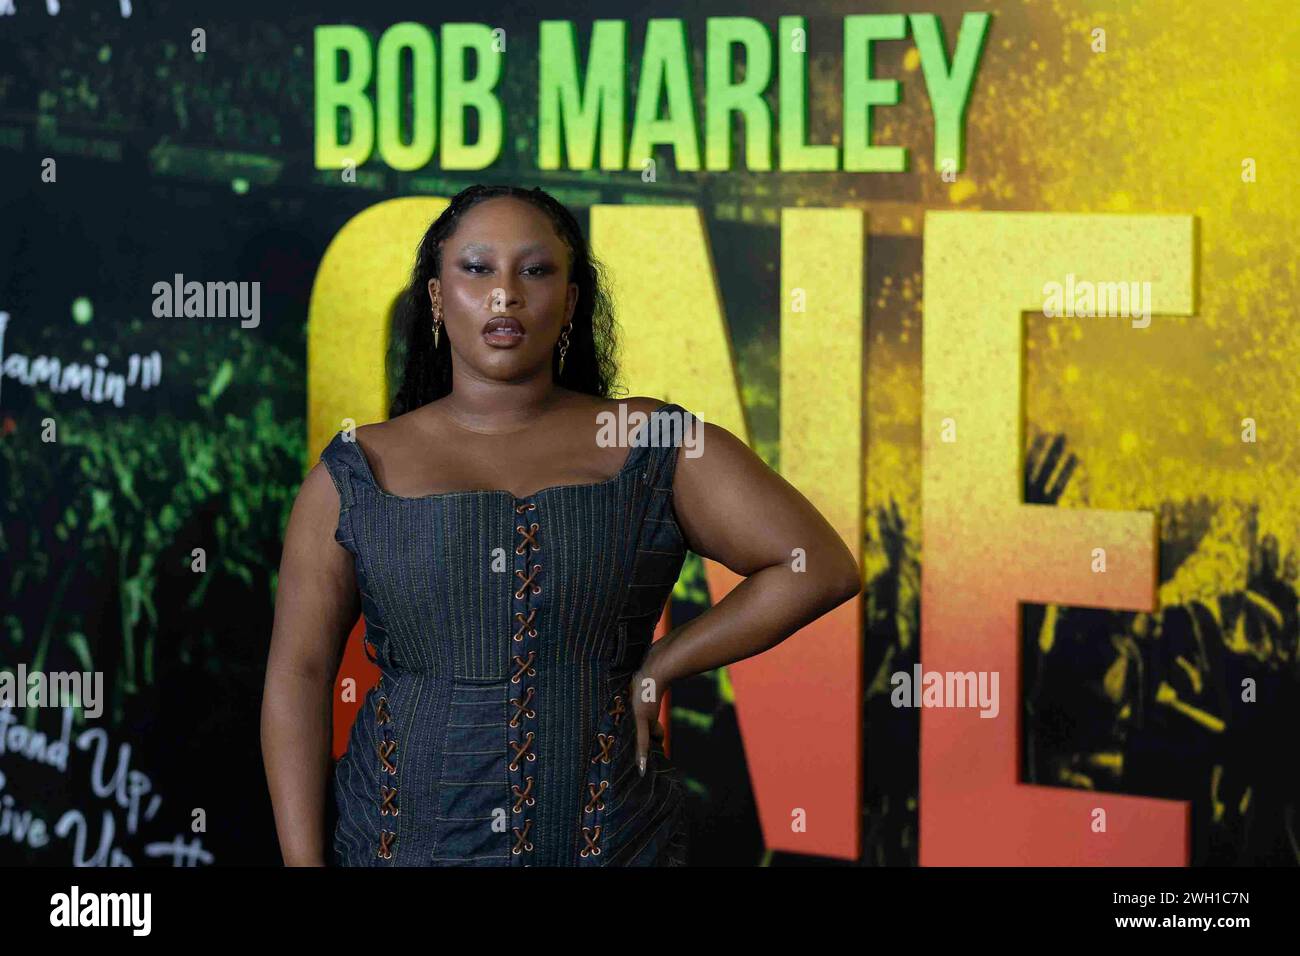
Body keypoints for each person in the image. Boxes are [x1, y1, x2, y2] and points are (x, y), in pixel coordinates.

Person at [261, 184, 862, 866]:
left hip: (615, 843)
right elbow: (300, 675)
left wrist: (661, 666)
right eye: (477, 268)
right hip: (395, 846)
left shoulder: (649, 441)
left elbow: (818, 564)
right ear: (435, 298)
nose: (505, 294)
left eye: (536, 270)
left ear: (571, 300)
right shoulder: (358, 468)